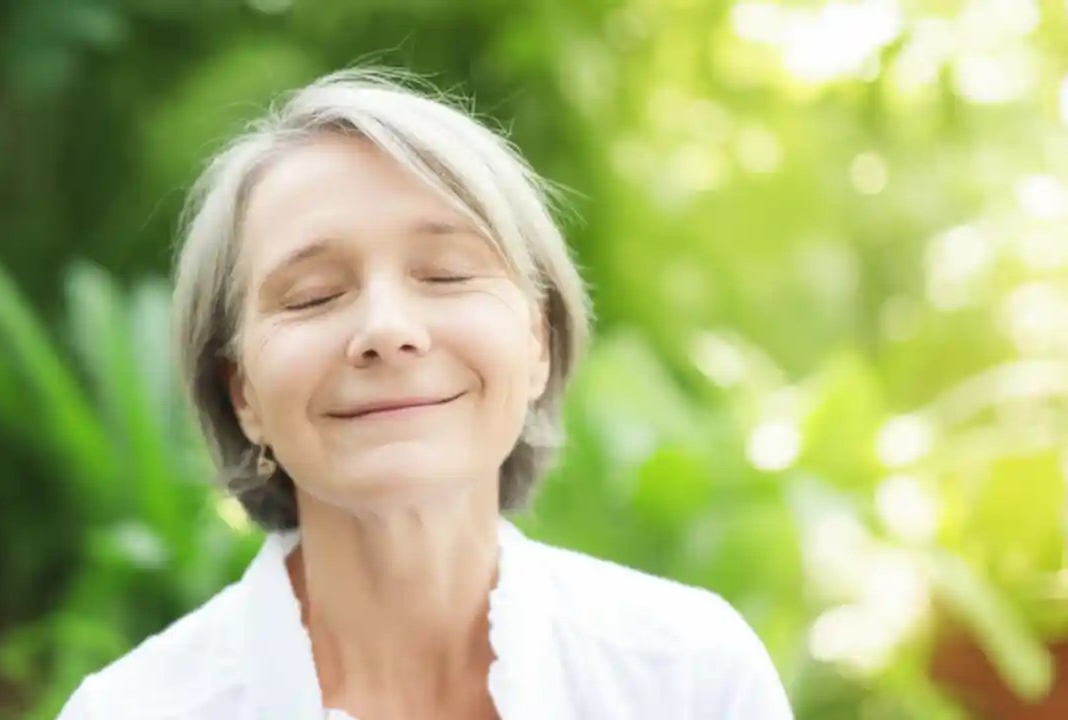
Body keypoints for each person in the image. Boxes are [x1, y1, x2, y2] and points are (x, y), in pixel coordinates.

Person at [56, 67, 793, 720]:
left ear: (536, 342)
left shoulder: (691, 679)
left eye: (445, 274)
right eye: (313, 296)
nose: (386, 329)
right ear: (241, 390)